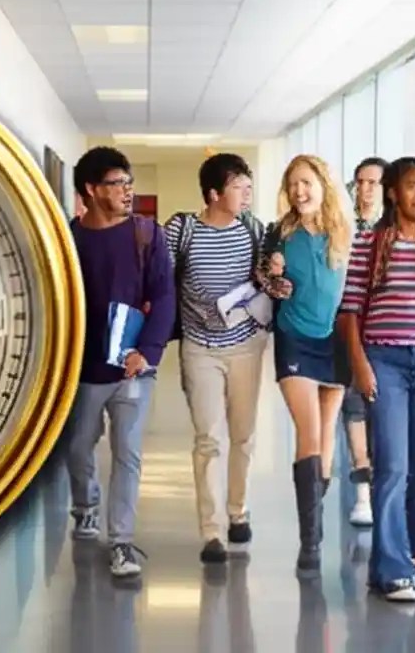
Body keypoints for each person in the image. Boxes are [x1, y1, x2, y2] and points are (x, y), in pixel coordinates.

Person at [338, 156, 415, 603]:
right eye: (414, 186)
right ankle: (391, 568)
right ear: (393, 193)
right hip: (385, 362)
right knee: (393, 469)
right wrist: (360, 365)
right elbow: (350, 312)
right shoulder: (371, 243)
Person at [64, 147, 176, 577]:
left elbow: (164, 295)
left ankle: (122, 543)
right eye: (117, 184)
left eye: (130, 183)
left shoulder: (147, 235)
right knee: (79, 446)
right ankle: (85, 505)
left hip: (132, 366)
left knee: (127, 451)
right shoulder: (68, 239)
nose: (128, 191)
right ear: (91, 190)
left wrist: (148, 351)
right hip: (81, 369)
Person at [164, 153, 268, 565]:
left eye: (249, 186)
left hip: (246, 345)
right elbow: (159, 276)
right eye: (238, 187)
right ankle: (211, 531)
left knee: (243, 435)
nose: (247, 194)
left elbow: (268, 280)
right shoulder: (182, 229)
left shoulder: (253, 229)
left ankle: (238, 511)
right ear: (213, 194)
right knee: (208, 438)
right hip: (200, 347)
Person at [257, 155, 352, 573]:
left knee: (327, 433)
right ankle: (310, 542)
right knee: (309, 432)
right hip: (294, 337)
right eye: (293, 184)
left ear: (322, 185)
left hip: (334, 340)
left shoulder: (343, 232)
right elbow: (265, 279)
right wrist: (272, 277)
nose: (299, 191)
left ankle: (314, 501)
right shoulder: (279, 232)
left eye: (306, 182)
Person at [334, 157, 384, 527]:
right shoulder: (342, 228)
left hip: (387, 329)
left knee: (385, 411)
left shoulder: (395, 229)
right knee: (353, 408)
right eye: (359, 182)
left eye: (372, 183)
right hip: (347, 326)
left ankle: (387, 489)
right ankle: (363, 494)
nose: (364, 190)